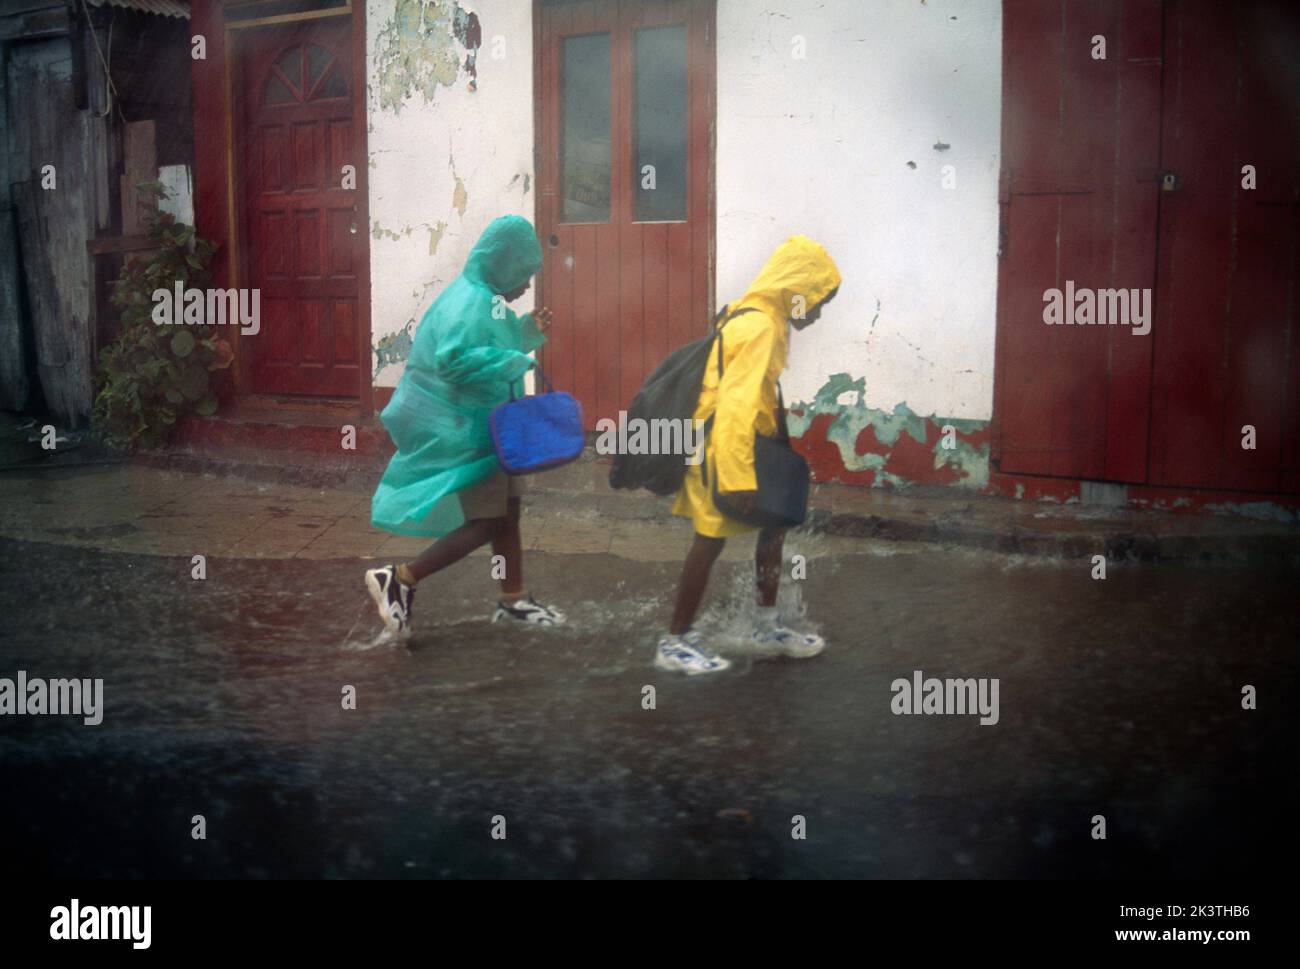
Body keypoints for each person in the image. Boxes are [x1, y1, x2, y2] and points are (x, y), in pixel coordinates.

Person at [365, 215, 565, 637]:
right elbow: (453, 361)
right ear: (503, 263)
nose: (528, 286)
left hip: (492, 429)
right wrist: (513, 361)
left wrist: (526, 332)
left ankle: (513, 599)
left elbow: (489, 343)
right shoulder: (471, 300)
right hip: (469, 432)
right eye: (525, 274)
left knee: (508, 514)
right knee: (488, 522)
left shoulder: (484, 297)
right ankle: (400, 578)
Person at [656, 235, 841, 675]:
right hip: (722, 447)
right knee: (710, 538)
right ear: (795, 289)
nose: (816, 313)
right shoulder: (761, 326)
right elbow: (737, 404)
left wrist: (778, 443)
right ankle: (675, 642)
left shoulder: (759, 315)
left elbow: (758, 392)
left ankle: (764, 624)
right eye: (815, 301)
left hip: (743, 443)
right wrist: (737, 476)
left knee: (774, 524)